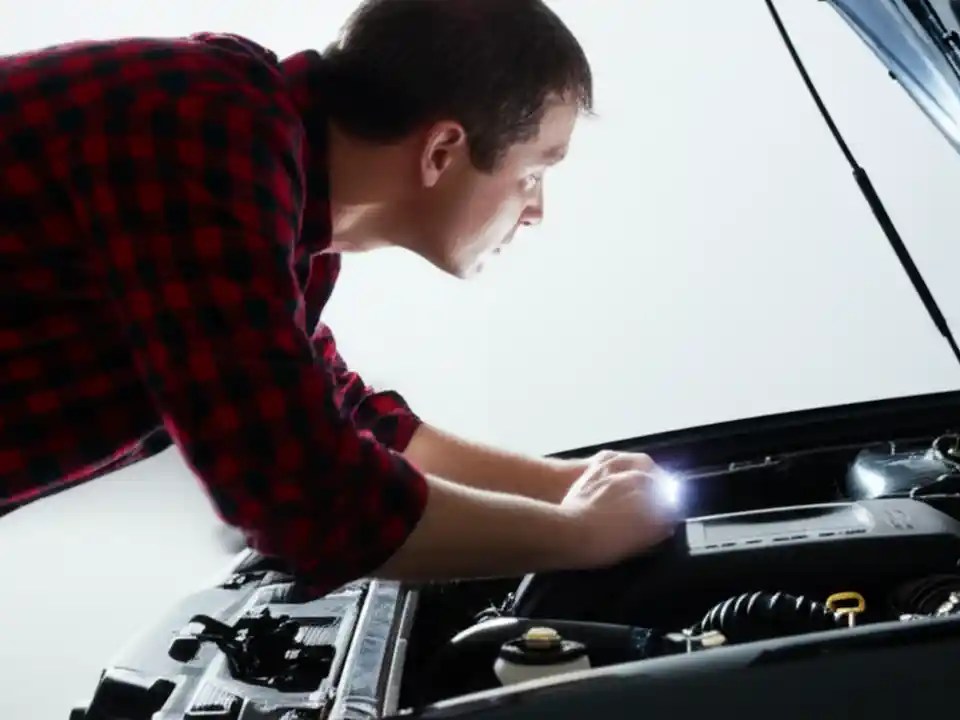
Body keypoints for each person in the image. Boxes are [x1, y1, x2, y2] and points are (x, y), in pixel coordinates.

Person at [0, 0, 677, 597]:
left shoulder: (272, 207)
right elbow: (303, 496)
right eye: (535, 171)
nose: (537, 211)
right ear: (442, 149)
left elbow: (347, 421)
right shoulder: (203, 129)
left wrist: (567, 485)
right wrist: (580, 536)